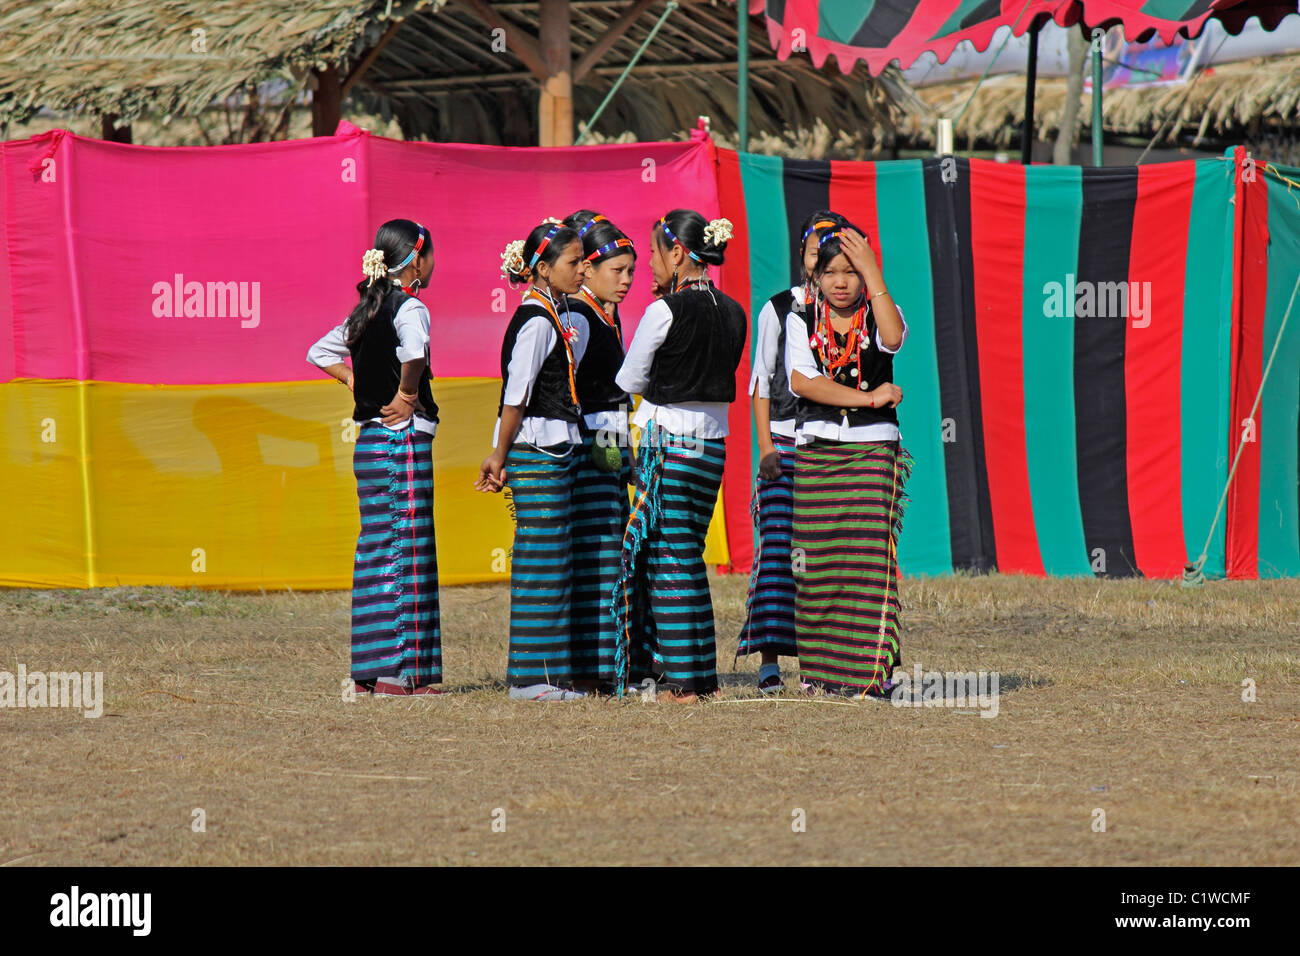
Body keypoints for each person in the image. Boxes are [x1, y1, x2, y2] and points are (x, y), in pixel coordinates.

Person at [612, 209, 748, 702]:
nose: (647, 263)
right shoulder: (735, 312)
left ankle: (687, 683)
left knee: (670, 558)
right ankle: (699, 675)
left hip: (667, 443)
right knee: (686, 553)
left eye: (652, 252)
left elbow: (629, 381)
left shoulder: (663, 312)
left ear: (677, 254)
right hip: (711, 449)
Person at [306, 219, 443, 697]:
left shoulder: (366, 310)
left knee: (374, 550)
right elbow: (415, 351)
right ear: (417, 260)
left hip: (368, 443)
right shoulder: (410, 307)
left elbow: (317, 352)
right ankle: (401, 674)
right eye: (431, 254)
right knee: (407, 550)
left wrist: (352, 381)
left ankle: (368, 670)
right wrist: (407, 393)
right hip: (401, 440)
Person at [785, 222, 912, 698]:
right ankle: (820, 674)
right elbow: (804, 383)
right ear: (814, 278)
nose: (841, 282)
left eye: (851, 272)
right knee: (815, 564)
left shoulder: (883, 311)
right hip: (817, 451)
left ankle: (871, 675)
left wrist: (872, 270)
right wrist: (871, 397)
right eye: (830, 272)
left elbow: (895, 339)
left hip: (872, 451)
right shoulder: (800, 317)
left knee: (867, 564)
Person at [476, 220, 591, 702]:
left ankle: (549, 674)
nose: (583, 269)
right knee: (540, 563)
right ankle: (532, 679)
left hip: (552, 451)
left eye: (585, 259)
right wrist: (498, 457)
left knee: (554, 562)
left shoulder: (552, 313)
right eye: (573, 262)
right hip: (536, 451)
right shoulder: (537, 321)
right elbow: (516, 396)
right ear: (542, 269)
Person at [737, 210, 847, 694]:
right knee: (778, 552)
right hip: (783, 442)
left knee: (823, 556)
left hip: (828, 446)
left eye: (832, 255)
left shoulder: (850, 309)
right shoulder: (778, 309)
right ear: (804, 259)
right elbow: (760, 383)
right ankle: (768, 663)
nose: (822, 264)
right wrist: (765, 447)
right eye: (814, 253)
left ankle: (821, 665)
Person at [564, 213, 637, 693]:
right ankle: (595, 670)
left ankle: (609, 666)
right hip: (591, 441)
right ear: (587, 269)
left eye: (632, 271)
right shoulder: (578, 316)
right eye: (618, 271)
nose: (627, 280)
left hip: (609, 440)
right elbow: (561, 387)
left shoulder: (605, 314)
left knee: (611, 549)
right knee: (597, 553)